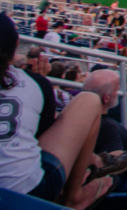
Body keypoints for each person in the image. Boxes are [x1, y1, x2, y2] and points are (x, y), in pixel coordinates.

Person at [0, 11, 118, 208]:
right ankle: (74, 196)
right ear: (13, 48)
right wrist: (42, 82)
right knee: (89, 99)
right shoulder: (31, 82)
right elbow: (41, 135)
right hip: (26, 194)